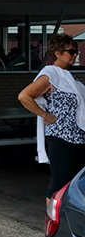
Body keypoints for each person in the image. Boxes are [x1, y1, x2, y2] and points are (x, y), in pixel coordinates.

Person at [18, 33, 85, 197]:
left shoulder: (70, 77)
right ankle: (51, 220)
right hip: (60, 136)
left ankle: (66, 218)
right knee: (60, 179)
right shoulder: (51, 74)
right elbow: (24, 96)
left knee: (76, 181)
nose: (75, 55)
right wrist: (45, 115)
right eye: (71, 51)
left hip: (78, 136)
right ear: (57, 53)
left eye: (77, 52)